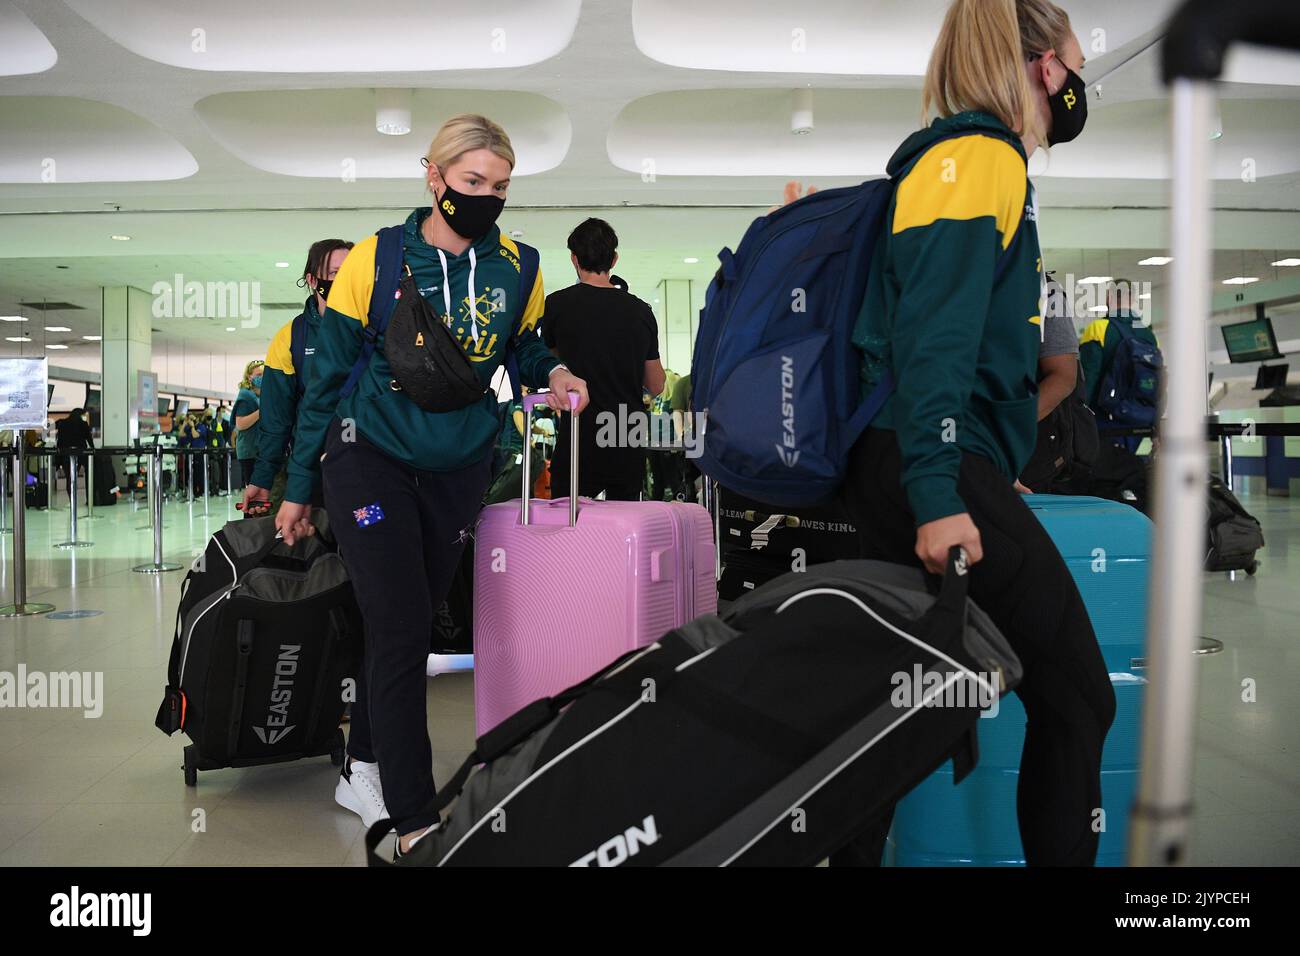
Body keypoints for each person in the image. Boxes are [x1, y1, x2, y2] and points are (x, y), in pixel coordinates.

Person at [835, 0, 1114, 866]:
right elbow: (934, 340)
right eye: (1074, 65)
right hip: (925, 468)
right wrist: (942, 489)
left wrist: (984, 466)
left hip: (931, 463)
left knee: (890, 711)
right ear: (1040, 66)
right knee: (1078, 698)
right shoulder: (978, 157)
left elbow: (966, 350)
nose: (1078, 87)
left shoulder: (972, 163)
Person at [275, 114, 589, 856]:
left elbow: (526, 345)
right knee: (402, 627)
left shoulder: (522, 263)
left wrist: (557, 373)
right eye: (472, 182)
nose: (486, 198)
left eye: (501, 187)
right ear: (435, 176)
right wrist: (296, 486)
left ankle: (360, 767)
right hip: (369, 453)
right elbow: (324, 381)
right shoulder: (380, 257)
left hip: (460, 459)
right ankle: (414, 818)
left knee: (414, 621)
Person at [542, 218, 664, 501]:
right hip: (625, 430)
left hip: (579, 430)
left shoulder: (558, 304)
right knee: (624, 524)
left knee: (569, 520)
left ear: (574, 258)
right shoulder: (640, 311)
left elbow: (550, 364)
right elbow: (656, 384)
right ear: (615, 259)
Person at [242, 239, 354, 515]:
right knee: (312, 547)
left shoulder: (375, 330)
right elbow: (276, 418)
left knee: (369, 544)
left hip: (369, 472)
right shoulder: (291, 337)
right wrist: (262, 477)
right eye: (334, 273)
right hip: (311, 471)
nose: (344, 280)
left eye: (350, 272)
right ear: (313, 280)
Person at [1079, 278, 1158, 450]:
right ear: (1134, 299)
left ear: (1109, 297)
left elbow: (1086, 380)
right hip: (1139, 422)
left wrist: (1078, 418)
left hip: (1104, 423)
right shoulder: (1148, 335)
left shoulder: (1099, 328)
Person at [232, 361, 264, 488]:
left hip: (259, 449)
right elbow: (240, 424)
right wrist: (261, 412)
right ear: (249, 376)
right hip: (249, 451)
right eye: (259, 374)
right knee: (253, 488)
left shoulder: (260, 395)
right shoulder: (246, 396)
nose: (262, 377)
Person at [54, 407, 94, 505]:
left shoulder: (61, 422)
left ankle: (72, 501)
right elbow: (89, 438)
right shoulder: (83, 424)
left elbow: (48, 428)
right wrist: (93, 449)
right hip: (79, 453)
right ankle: (84, 500)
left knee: (69, 477)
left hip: (65, 454)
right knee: (75, 476)